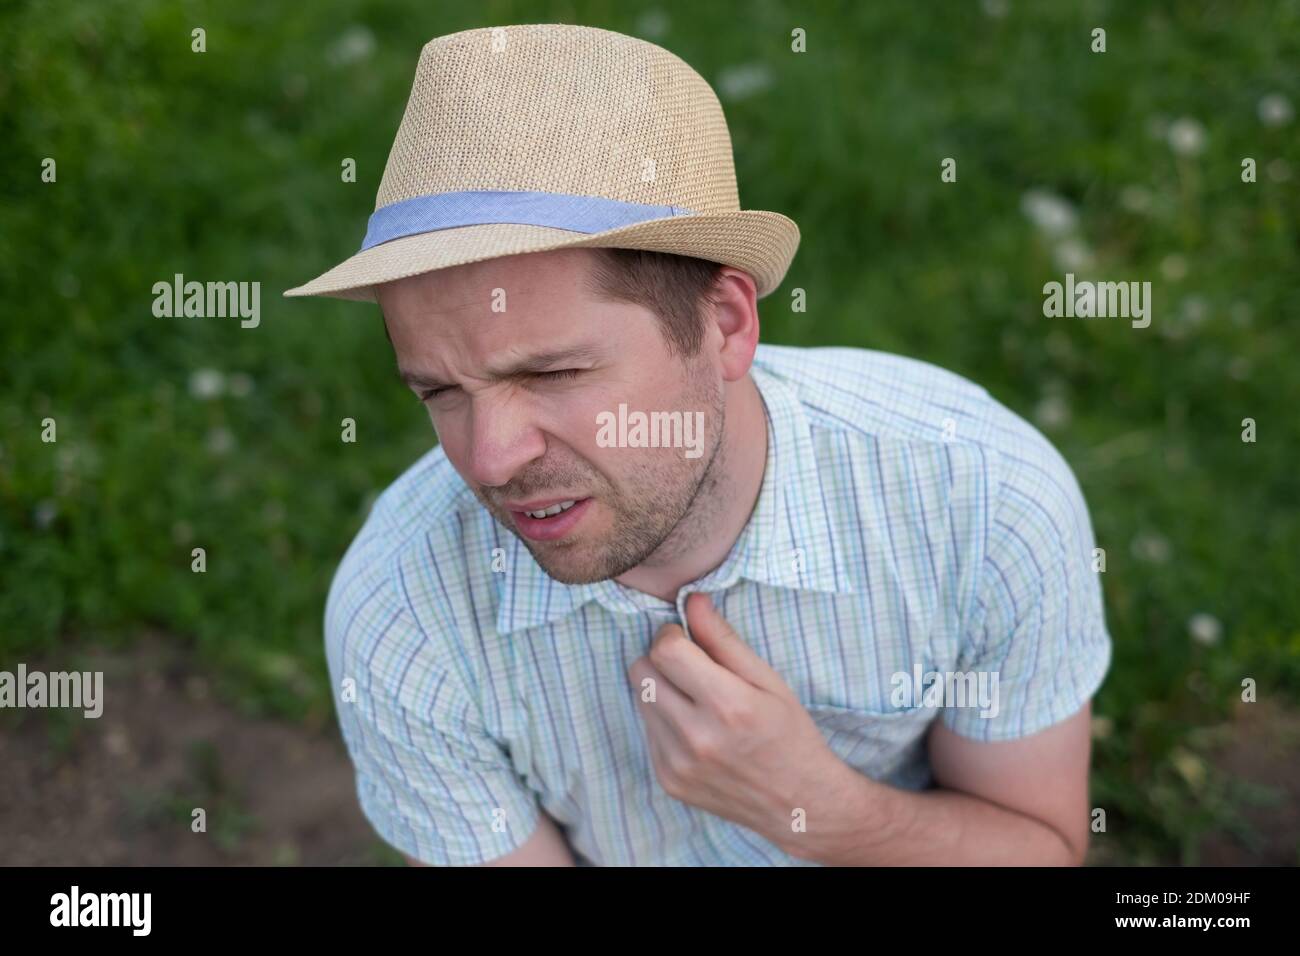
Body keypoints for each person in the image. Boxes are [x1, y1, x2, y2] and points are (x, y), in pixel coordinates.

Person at [285, 23, 1111, 866]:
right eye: (440, 392)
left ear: (725, 323)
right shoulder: (404, 616)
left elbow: (1041, 848)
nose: (492, 460)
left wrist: (825, 811)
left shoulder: (982, 499)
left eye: (554, 374)